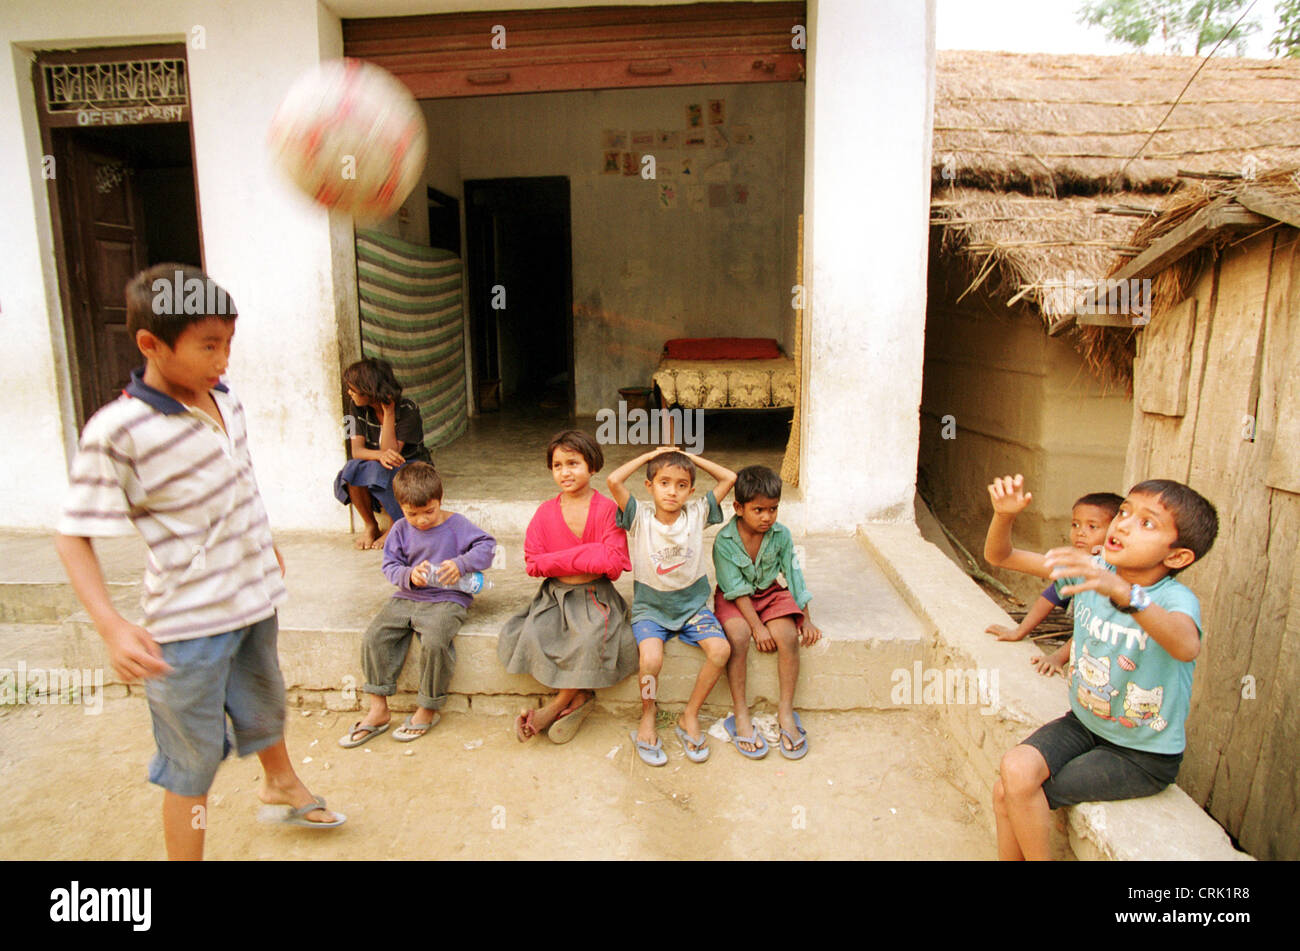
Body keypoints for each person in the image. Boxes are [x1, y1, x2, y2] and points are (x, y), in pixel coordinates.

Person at [54, 263, 344, 861]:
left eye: (230, 343)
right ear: (151, 345)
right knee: (191, 763)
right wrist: (111, 625)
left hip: (253, 597)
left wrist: (261, 542)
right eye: (209, 345)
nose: (224, 359)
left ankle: (281, 781)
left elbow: (238, 481)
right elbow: (73, 535)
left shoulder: (225, 401)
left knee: (265, 702)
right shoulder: (119, 431)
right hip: (187, 627)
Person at [983, 473, 1218, 861]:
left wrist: (1125, 594)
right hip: (1084, 723)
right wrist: (1003, 516)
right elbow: (1001, 557)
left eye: (1146, 522)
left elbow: (1185, 645)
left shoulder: (1174, 599)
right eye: (1124, 512)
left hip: (1142, 755)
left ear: (1176, 557)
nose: (1123, 523)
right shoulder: (1093, 568)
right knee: (1013, 770)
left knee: (1011, 791)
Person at [339, 462, 495, 746]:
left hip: (448, 598)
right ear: (400, 507)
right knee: (375, 635)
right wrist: (408, 575)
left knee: (435, 639)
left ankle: (428, 706)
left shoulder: (457, 525)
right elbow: (390, 566)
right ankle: (378, 708)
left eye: (429, 512)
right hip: (408, 596)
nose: (422, 520)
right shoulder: (399, 529)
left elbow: (487, 546)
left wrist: (461, 564)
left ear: (440, 501)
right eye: (413, 514)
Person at [499, 430, 637, 743]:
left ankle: (557, 704)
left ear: (592, 466)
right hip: (555, 596)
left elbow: (613, 565)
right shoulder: (545, 513)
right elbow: (534, 564)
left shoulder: (606, 510)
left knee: (589, 637)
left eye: (573, 463)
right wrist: (589, 555)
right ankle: (579, 697)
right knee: (535, 632)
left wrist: (558, 558)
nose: (565, 472)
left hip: (595, 596)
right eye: (558, 465)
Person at [606, 446, 736, 766]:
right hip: (651, 608)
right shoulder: (640, 516)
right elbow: (613, 480)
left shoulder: (697, 513)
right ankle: (648, 712)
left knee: (721, 651)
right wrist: (653, 456)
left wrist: (688, 458)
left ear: (691, 491)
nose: (672, 491)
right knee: (650, 660)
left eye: (681, 485)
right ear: (649, 487)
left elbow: (729, 477)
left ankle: (689, 715)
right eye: (664, 483)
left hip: (692, 607)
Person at [713, 465, 821, 759]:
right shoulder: (724, 541)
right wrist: (757, 627)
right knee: (737, 636)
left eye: (773, 509)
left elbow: (794, 575)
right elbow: (734, 589)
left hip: (769, 593)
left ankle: (786, 711)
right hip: (736, 599)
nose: (766, 517)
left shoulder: (781, 535)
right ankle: (740, 714)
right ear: (738, 507)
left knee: (787, 635)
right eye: (758, 510)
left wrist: (806, 618)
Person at [985, 492, 1123, 677]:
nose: (1080, 532)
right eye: (1075, 524)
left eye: (1092, 526)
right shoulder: (1077, 566)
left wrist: (1058, 657)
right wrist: (1003, 516)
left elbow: (1091, 630)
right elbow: (1001, 556)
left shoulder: (1119, 579)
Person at [333, 358, 431, 550]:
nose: (349, 392)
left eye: (353, 389)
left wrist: (389, 414)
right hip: (376, 462)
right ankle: (370, 524)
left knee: (385, 467)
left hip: (409, 464)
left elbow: (393, 454)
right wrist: (379, 456)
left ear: (368, 389)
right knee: (352, 468)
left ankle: (396, 522)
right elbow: (357, 451)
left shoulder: (409, 409)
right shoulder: (354, 409)